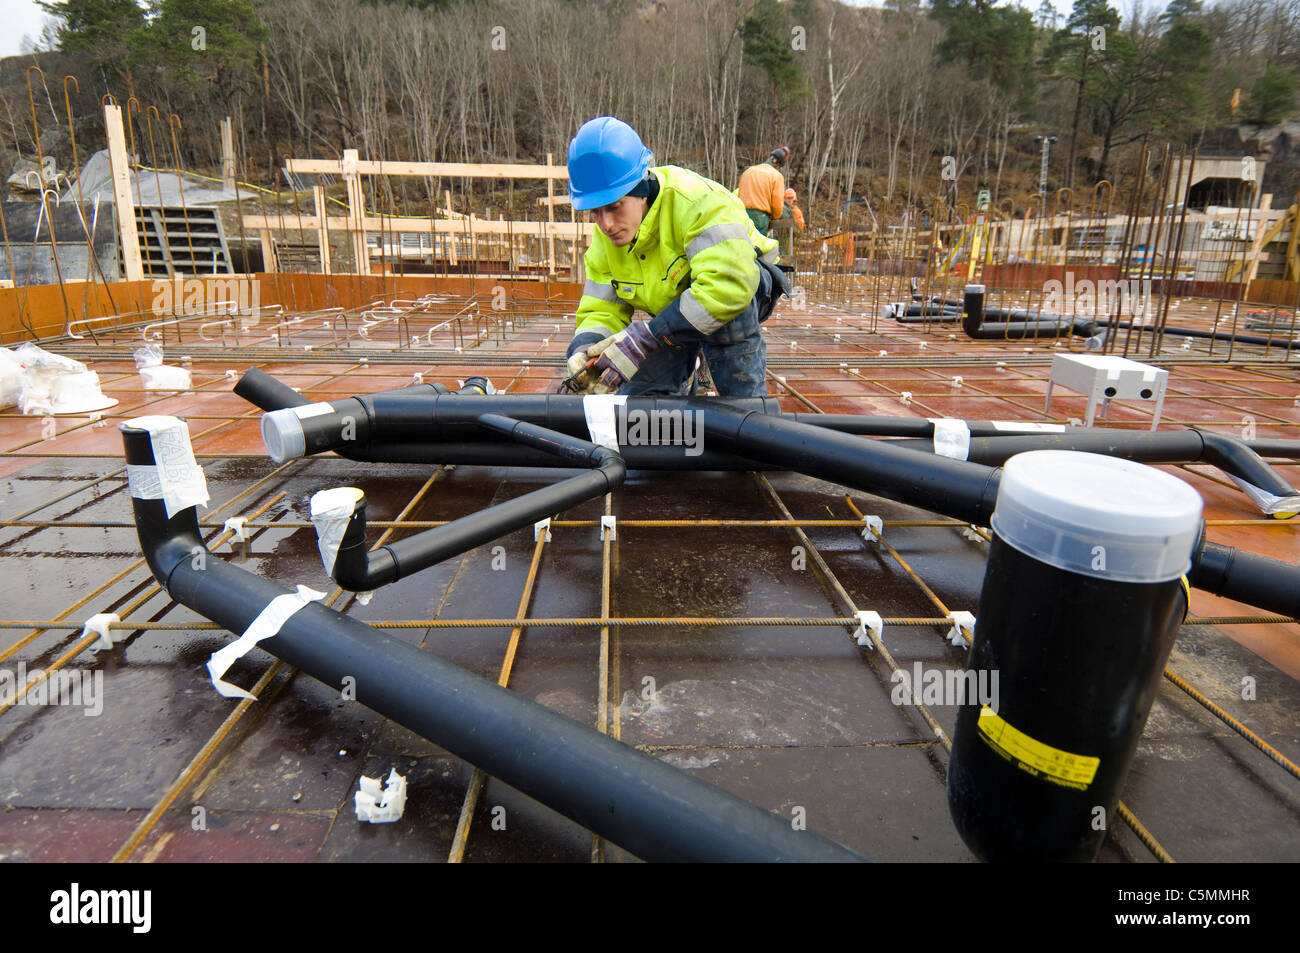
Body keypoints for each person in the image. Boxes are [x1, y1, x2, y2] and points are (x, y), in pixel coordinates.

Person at [564, 117, 789, 397]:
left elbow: (729, 287)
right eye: (595, 212)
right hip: (677, 310)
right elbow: (601, 307)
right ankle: (677, 405)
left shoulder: (697, 202)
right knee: (639, 397)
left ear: (641, 192)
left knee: (737, 392)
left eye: (614, 207)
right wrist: (585, 347)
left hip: (744, 293)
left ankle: (746, 411)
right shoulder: (606, 239)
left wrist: (651, 335)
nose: (606, 224)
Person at [737, 146, 789, 235]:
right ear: (778, 165)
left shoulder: (748, 171)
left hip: (740, 215)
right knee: (757, 246)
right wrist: (775, 216)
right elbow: (777, 205)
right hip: (760, 217)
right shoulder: (776, 176)